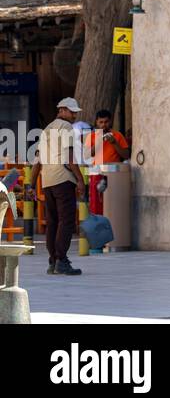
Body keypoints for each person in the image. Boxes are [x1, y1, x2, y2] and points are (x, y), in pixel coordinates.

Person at [32, 97, 86, 276]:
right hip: (63, 180)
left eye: (75, 112)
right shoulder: (66, 128)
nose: (74, 115)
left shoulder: (46, 130)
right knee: (67, 221)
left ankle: (53, 261)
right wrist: (80, 180)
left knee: (53, 222)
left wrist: (31, 185)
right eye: (71, 112)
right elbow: (70, 159)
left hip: (47, 181)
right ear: (61, 110)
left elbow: (37, 161)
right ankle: (61, 260)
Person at [85, 110, 129, 216]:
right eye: (101, 122)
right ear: (96, 122)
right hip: (98, 175)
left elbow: (126, 155)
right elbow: (87, 155)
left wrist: (114, 143)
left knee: (113, 205)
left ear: (110, 122)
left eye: (106, 122)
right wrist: (99, 141)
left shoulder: (117, 135)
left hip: (114, 175)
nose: (104, 125)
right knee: (98, 204)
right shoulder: (91, 136)